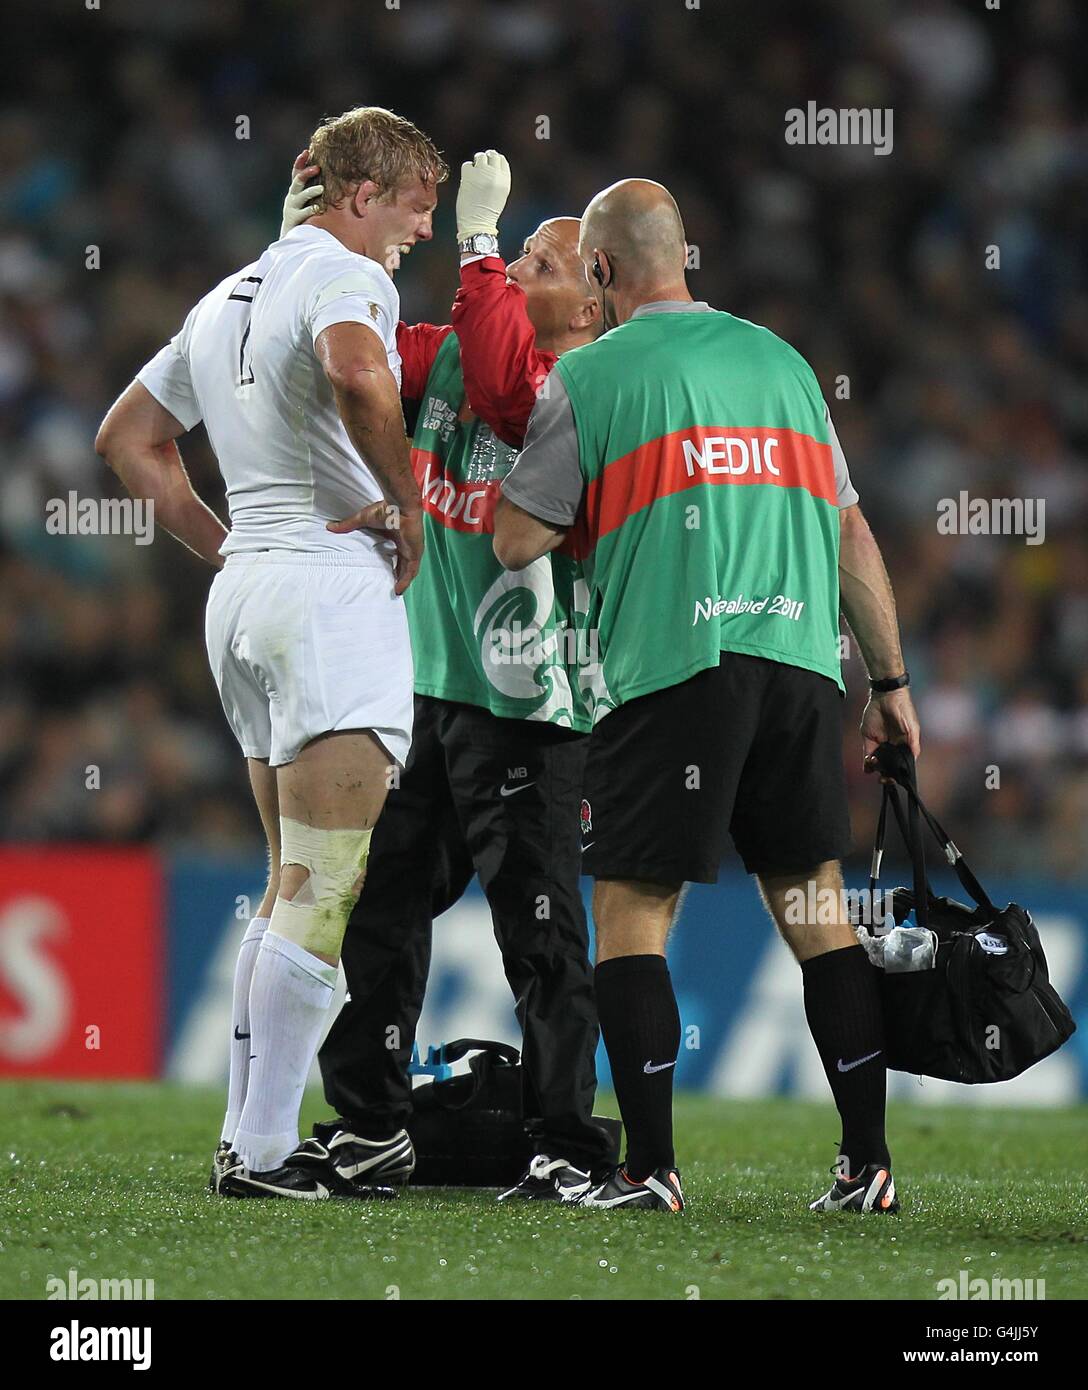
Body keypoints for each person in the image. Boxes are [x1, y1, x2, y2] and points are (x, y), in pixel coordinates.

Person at [494, 178, 921, 1213]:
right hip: (797, 660)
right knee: (816, 908)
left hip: (674, 663)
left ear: (598, 271)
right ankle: (865, 1165)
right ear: (684, 254)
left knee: (633, 912)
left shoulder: (591, 376)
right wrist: (891, 682)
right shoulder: (781, 364)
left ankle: (645, 1169)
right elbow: (849, 533)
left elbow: (516, 537)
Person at [95, 106, 446, 1199]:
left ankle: (254, 1141)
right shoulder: (352, 278)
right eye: (414, 207)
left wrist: (228, 545)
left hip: (247, 591)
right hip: (327, 590)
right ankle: (257, 1153)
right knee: (324, 883)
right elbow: (354, 370)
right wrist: (408, 496)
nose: (421, 233)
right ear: (359, 196)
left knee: (288, 881)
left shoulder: (225, 296)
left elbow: (129, 440)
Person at [281, 150, 614, 1201]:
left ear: (595, 304)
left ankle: (562, 1139)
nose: (519, 266)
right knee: (378, 909)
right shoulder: (456, 353)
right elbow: (359, 360)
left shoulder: (580, 387)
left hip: (527, 703)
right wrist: (324, 244)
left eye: (543, 260)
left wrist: (475, 250)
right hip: (417, 691)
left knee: (539, 929)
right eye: (511, 253)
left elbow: (514, 387)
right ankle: (370, 1125)